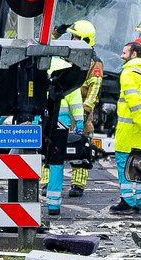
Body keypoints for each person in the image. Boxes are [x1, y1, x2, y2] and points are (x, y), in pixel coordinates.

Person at [112, 39, 141, 215]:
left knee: (124, 165)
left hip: (130, 129)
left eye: (124, 53)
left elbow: (134, 101)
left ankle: (127, 201)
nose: (121, 56)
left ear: (134, 54)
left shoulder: (128, 72)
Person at [66, 20, 103, 198]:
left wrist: (86, 110)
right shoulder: (67, 54)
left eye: (76, 36)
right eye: (72, 35)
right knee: (53, 146)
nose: (72, 39)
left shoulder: (94, 63)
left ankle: (78, 185)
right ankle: (46, 182)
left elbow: (94, 89)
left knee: (82, 146)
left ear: (86, 40)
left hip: (81, 111)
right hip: (63, 109)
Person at [44, 58, 83, 218]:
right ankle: (53, 204)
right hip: (61, 126)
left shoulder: (39, 67)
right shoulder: (67, 71)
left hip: (38, 123)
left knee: (33, 159)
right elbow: (75, 102)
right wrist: (79, 122)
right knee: (56, 164)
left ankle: (28, 199)